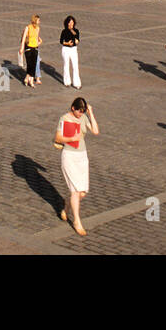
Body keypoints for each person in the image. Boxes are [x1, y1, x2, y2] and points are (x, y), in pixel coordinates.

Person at [54, 97, 99, 237]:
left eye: (82, 111)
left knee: (82, 192)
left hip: (82, 156)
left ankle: (66, 207)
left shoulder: (84, 117)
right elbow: (57, 138)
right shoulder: (64, 118)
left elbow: (96, 131)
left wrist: (90, 113)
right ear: (73, 108)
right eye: (79, 111)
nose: (80, 114)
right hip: (69, 156)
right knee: (75, 190)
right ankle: (77, 221)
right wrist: (71, 139)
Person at [20, 14, 42, 87]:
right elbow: (23, 38)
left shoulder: (38, 28)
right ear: (35, 20)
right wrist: (22, 48)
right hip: (28, 47)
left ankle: (30, 80)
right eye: (38, 20)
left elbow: (37, 37)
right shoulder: (28, 27)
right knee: (29, 64)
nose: (39, 21)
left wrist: (39, 42)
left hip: (35, 47)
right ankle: (27, 78)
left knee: (34, 64)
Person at [60, 15, 81, 89]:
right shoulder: (64, 31)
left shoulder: (76, 31)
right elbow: (61, 41)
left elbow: (77, 39)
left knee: (75, 66)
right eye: (70, 22)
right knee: (66, 65)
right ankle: (67, 82)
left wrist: (76, 41)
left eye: (72, 22)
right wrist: (67, 43)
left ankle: (77, 83)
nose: (71, 24)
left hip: (73, 49)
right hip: (66, 49)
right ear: (67, 23)